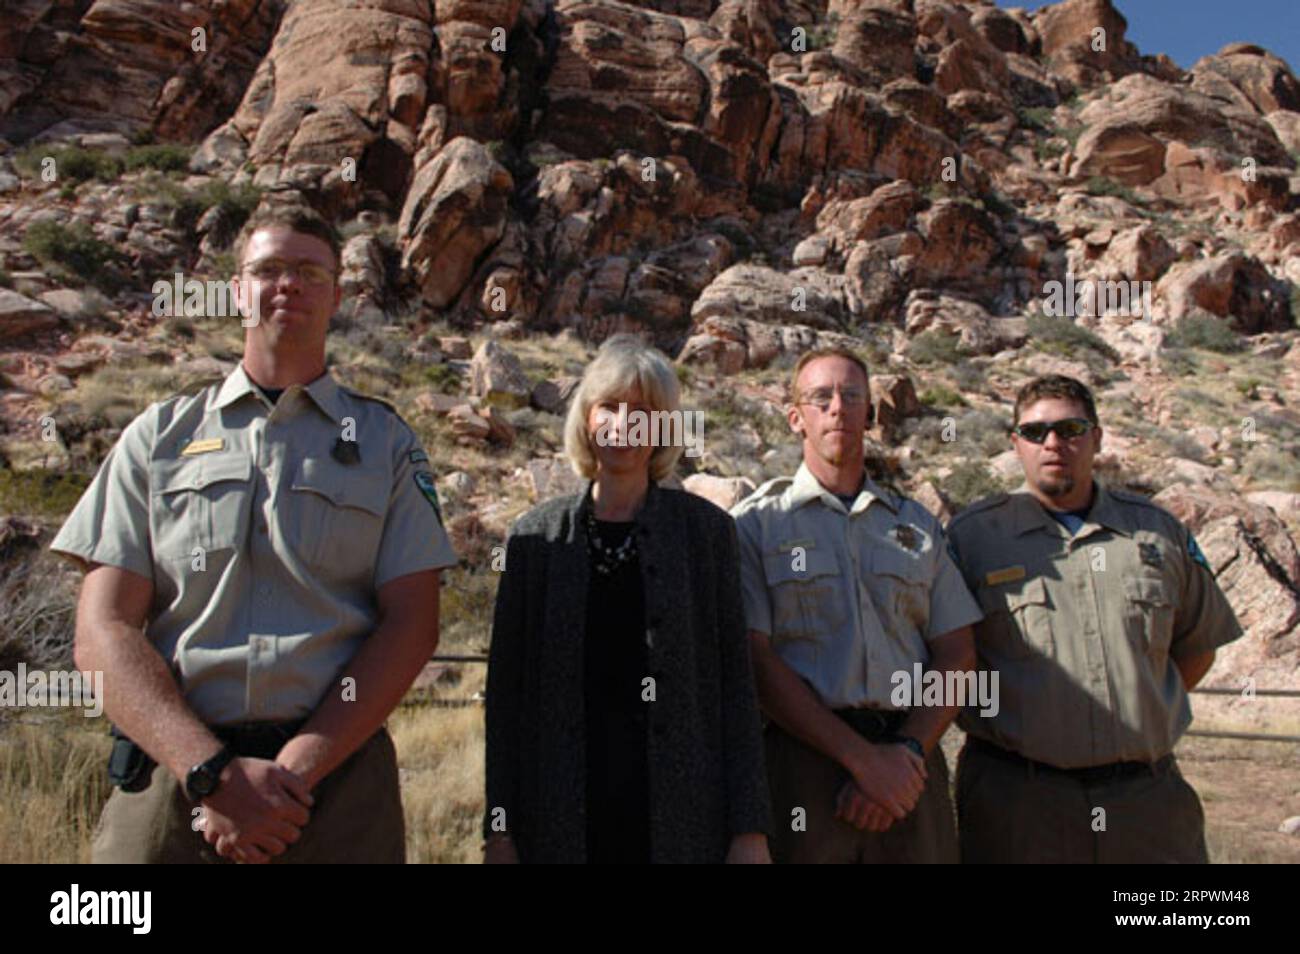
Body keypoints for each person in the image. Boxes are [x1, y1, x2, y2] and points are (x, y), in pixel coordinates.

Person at [51, 207, 457, 863]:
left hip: (336, 785)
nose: (287, 285)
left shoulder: (385, 443)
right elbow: (103, 631)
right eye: (266, 270)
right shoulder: (159, 437)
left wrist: (294, 772)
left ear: (339, 295)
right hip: (174, 777)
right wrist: (210, 771)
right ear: (236, 289)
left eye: (308, 271)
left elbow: (411, 623)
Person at [483, 335, 771, 863]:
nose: (622, 425)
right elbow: (505, 698)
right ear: (586, 420)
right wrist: (499, 831)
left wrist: (749, 830)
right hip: (559, 822)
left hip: (684, 824)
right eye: (608, 408)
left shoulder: (706, 534)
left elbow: (735, 685)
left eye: (641, 412)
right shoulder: (536, 539)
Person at [946, 374, 1243, 863]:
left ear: (1098, 437)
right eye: (1036, 432)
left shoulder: (1157, 532)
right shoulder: (972, 539)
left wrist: (1130, 712)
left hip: (1145, 807)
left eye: (1071, 428)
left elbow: (1196, 649)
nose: (1054, 443)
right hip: (1019, 804)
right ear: (1015, 444)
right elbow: (949, 657)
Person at [731, 347, 981, 863]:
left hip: (914, 769)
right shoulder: (756, 526)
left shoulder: (916, 526)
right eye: (820, 397)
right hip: (806, 769)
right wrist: (863, 761)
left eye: (851, 396)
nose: (837, 408)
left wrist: (907, 752)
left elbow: (957, 654)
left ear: (870, 412)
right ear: (796, 417)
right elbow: (755, 660)